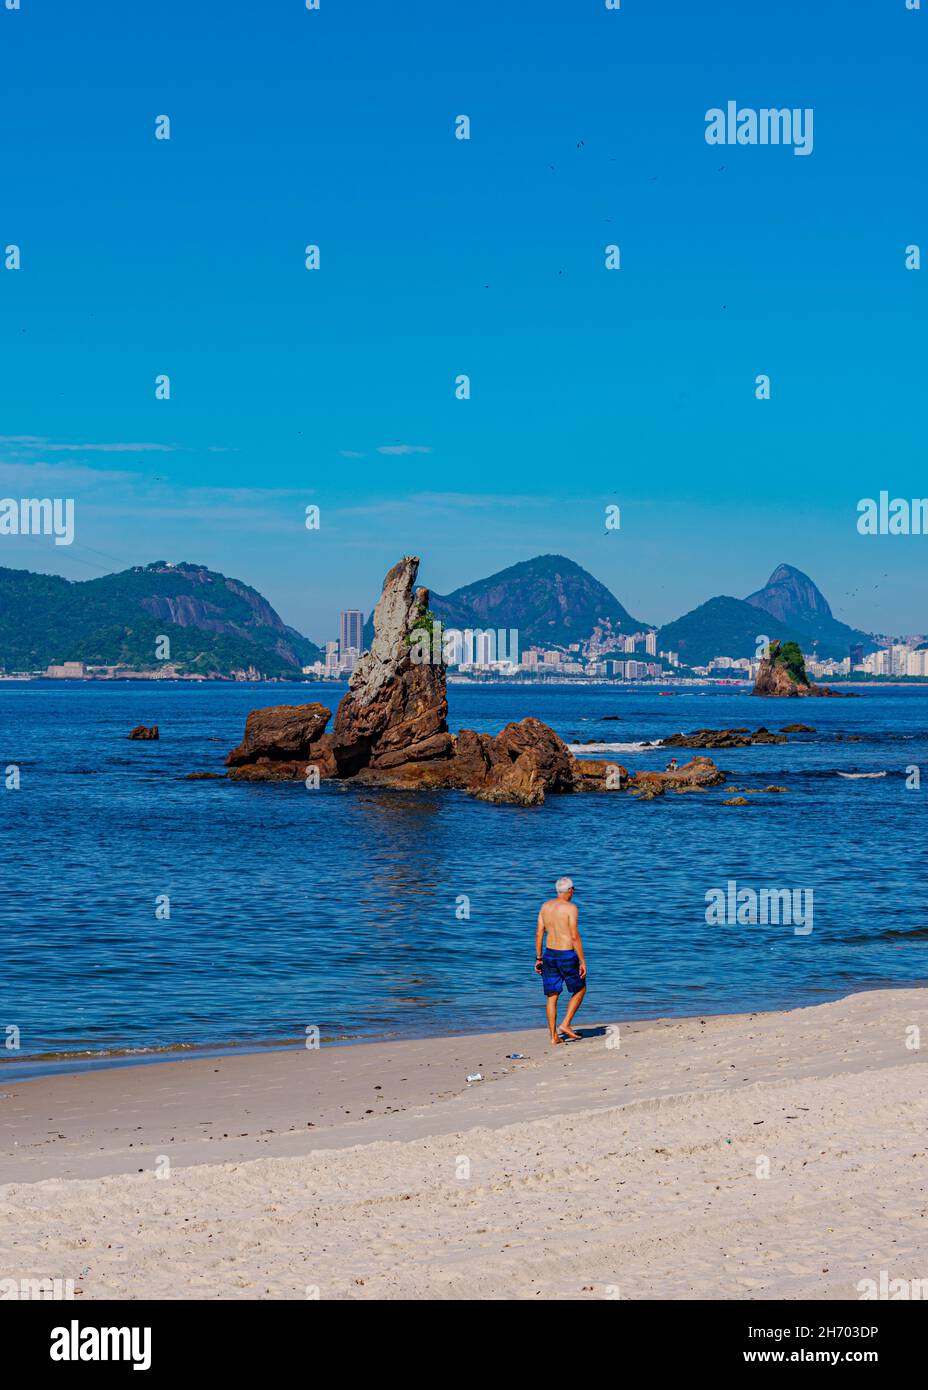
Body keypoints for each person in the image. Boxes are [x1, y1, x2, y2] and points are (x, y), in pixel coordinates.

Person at [534, 877, 586, 1045]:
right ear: (569, 890)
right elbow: (574, 935)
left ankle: (553, 1036)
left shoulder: (545, 907)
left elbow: (539, 934)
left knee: (552, 995)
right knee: (580, 988)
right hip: (566, 954)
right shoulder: (571, 908)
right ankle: (565, 1024)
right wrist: (582, 960)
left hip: (549, 955)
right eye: (573, 890)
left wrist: (538, 958)